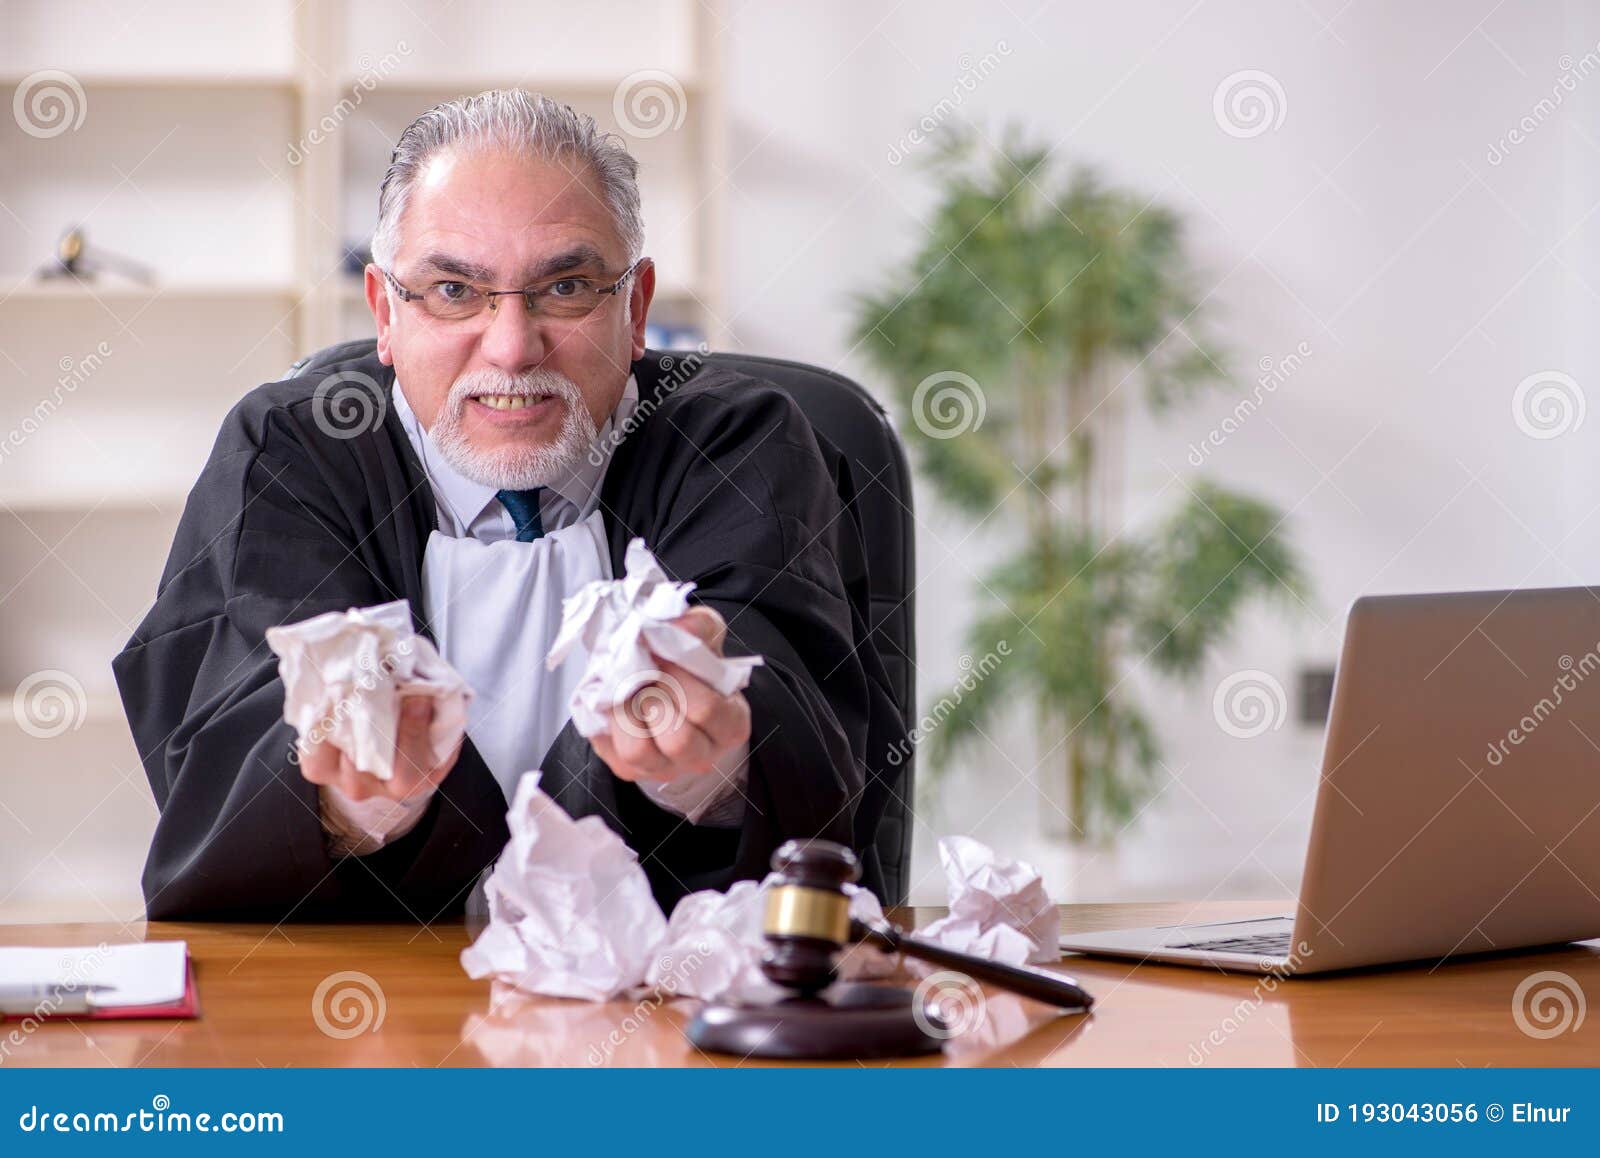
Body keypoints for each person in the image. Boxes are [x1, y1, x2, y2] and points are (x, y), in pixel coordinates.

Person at [113, 90, 902, 920]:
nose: (513, 347)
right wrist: (360, 800)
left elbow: (811, 740)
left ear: (635, 309)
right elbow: (225, 766)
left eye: (565, 286)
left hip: (668, 1007)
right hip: (371, 1012)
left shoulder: (738, 443)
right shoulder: (291, 454)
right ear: (385, 312)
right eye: (455, 290)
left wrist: (702, 766)